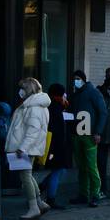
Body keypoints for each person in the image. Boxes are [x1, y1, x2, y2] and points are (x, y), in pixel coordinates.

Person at [6, 77, 53, 220]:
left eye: (23, 88)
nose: (20, 91)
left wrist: (22, 148)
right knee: (27, 175)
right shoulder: (32, 105)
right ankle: (39, 203)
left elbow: (33, 130)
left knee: (25, 176)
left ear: (29, 89)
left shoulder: (33, 107)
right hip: (27, 147)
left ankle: (33, 207)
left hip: (26, 147)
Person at [68, 70, 106, 207]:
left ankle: (95, 194)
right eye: (74, 79)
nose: (76, 81)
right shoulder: (75, 95)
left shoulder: (93, 92)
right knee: (82, 166)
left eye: (78, 78)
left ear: (83, 79)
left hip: (89, 135)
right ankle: (83, 194)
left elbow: (103, 112)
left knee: (91, 166)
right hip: (77, 134)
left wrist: (98, 132)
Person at [39, 83, 72, 211]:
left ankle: (41, 187)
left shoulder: (52, 107)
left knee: (58, 170)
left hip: (54, 145)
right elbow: (58, 130)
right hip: (56, 146)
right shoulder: (56, 108)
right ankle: (50, 198)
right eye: (63, 94)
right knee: (58, 171)